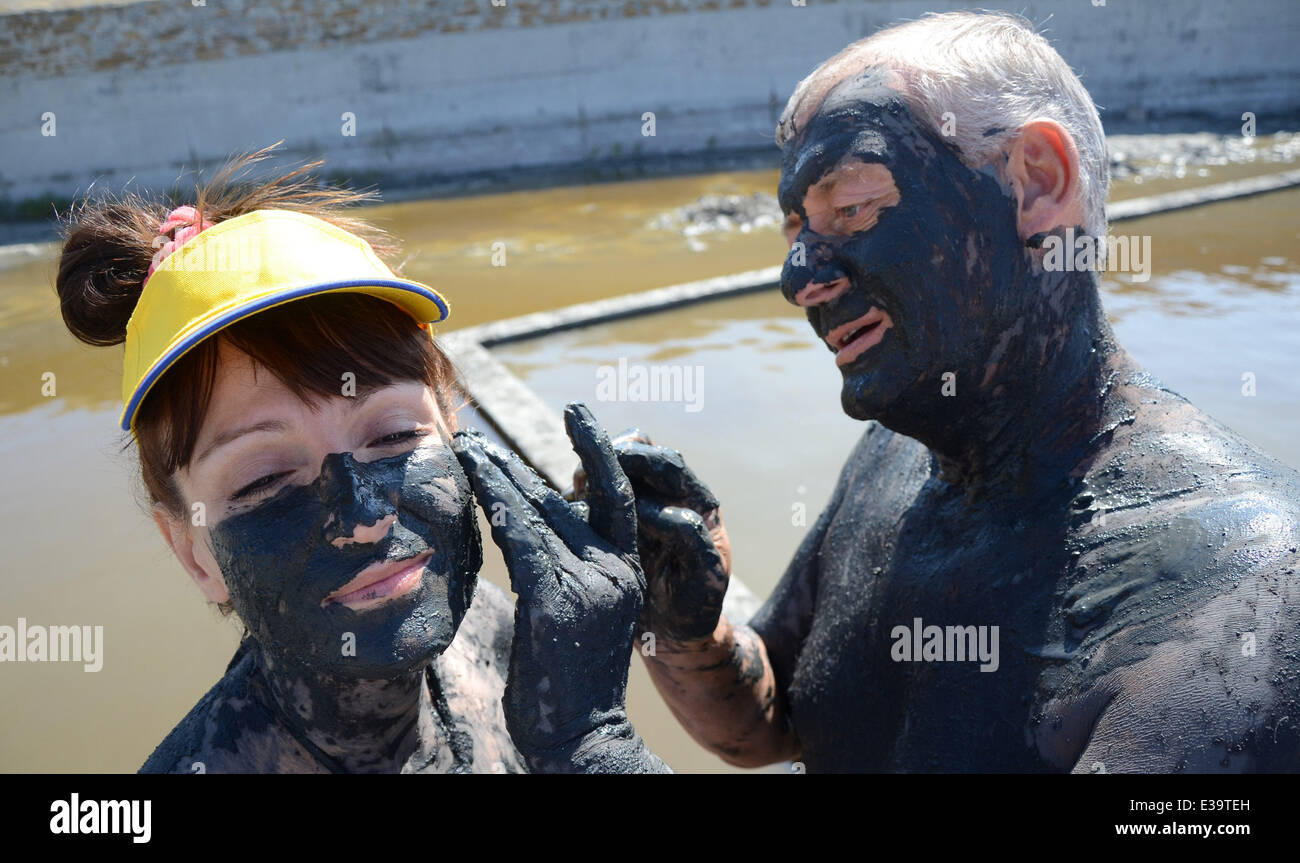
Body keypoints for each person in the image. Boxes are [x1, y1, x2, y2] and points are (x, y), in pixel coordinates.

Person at [543, 10, 1300, 772]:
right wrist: (684, 629)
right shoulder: (895, 460)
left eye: (854, 209)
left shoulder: (1245, 593)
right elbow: (777, 721)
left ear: (1037, 184)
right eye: (796, 233)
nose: (800, 280)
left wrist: (587, 743)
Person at [57, 149, 656, 773]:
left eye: (395, 435)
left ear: (456, 438)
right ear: (192, 553)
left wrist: (684, 651)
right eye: (264, 479)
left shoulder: (508, 632)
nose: (364, 519)